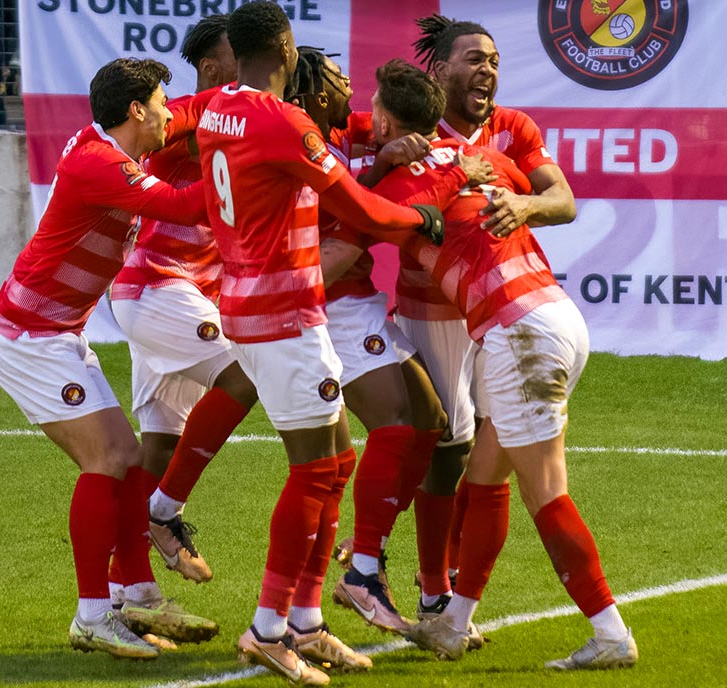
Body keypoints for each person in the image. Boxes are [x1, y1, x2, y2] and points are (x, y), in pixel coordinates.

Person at [194, 3, 446, 684]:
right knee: (314, 468)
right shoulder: (284, 122)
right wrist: (418, 216)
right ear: (285, 47)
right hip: (284, 312)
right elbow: (359, 211)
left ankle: (306, 618)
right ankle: (268, 627)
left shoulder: (218, 106)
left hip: (256, 300)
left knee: (337, 460)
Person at [362, 58, 637, 670]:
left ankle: (610, 631)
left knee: (546, 492)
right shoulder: (493, 162)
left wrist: (383, 165)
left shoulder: (400, 186)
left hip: (518, 333)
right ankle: (452, 623)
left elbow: (367, 216)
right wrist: (483, 181)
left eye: (374, 112)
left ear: (385, 118)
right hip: (554, 315)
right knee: (484, 477)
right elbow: (551, 197)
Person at [0, 57, 219, 660]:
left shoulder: (110, 143)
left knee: (130, 457)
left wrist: (235, 108)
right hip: (28, 336)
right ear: (136, 110)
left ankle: (134, 592)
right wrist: (254, 166)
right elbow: (187, 206)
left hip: (55, 331)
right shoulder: (98, 163)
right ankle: (92, 615)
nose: (170, 111)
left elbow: (189, 112)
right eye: (160, 103)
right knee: (109, 457)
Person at [287, 48, 491, 637]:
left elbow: (375, 157)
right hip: (331, 306)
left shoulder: (348, 128)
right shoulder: (303, 143)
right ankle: (364, 571)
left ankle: (368, 544)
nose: (351, 83)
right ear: (314, 92)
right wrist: (396, 168)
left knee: (432, 421)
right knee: (398, 425)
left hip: (358, 301)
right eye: (336, 78)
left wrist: (388, 153)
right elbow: (359, 216)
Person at [110, 14, 255, 587]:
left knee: (161, 448)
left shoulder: (239, 115)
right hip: (159, 290)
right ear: (216, 69)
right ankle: (162, 513)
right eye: (245, 55)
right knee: (246, 376)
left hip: (185, 297)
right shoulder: (183, 123)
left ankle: (129, 590)